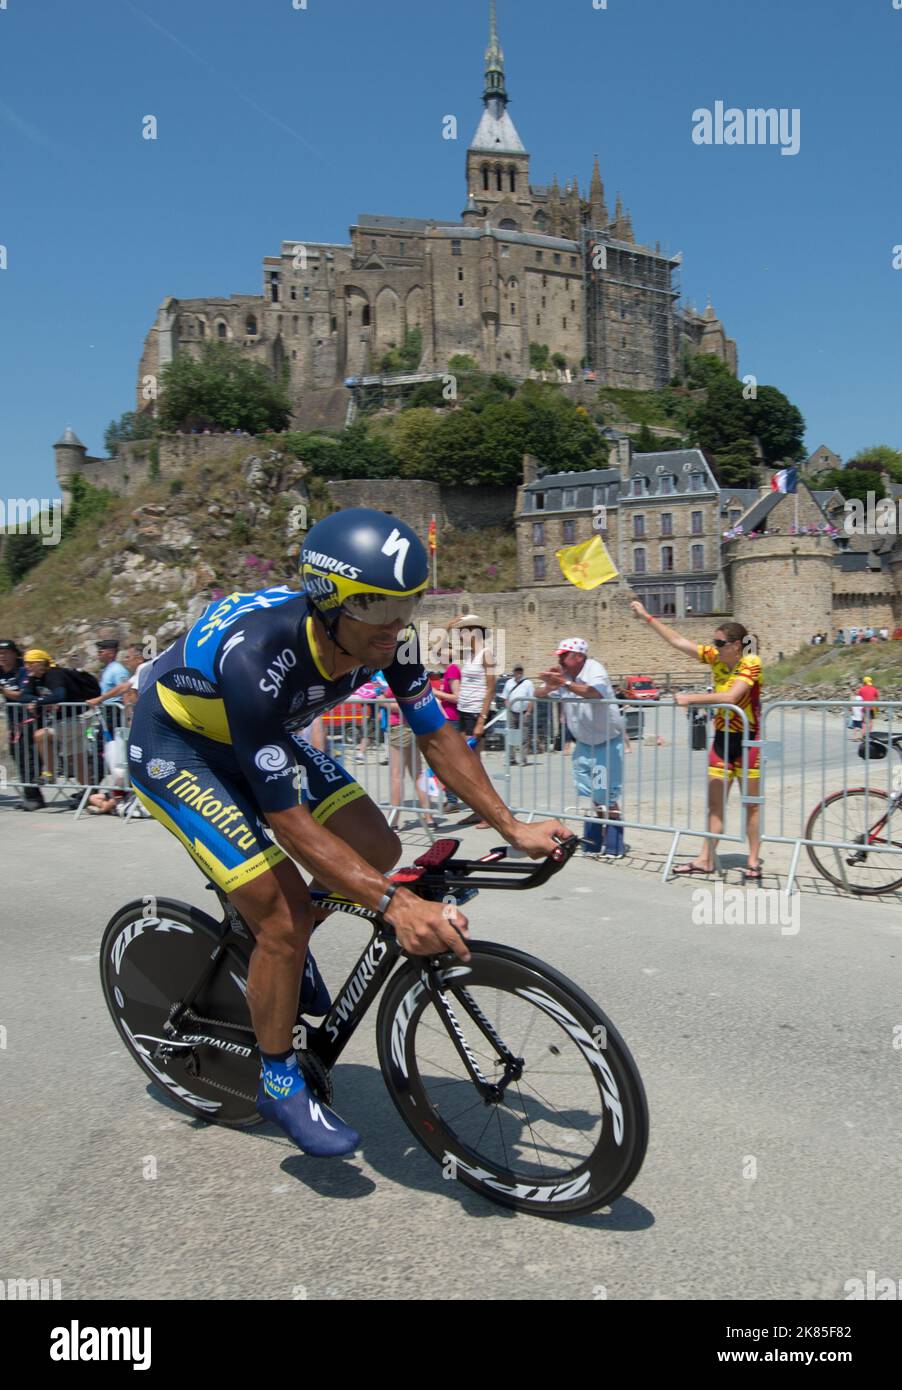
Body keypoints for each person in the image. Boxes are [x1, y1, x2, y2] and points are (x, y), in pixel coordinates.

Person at [128, 507, 568, 1158]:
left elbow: (437, 736)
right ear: (330, 602)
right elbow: (289, 822)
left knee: (379, 846)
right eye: (379, 608)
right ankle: (279, 1080)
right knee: (283, 915)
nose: (396, 626)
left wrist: (512, 826)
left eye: (407, 605)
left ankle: (276, 942)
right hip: (179, 747)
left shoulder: (390, 639)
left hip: (257, 736)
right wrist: (394, 904)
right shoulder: (259, 655)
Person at [632, 601, 764, 879]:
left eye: (720, 643)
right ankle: (705, 859)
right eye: (714, 642)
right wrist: (647, 617)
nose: (715, 647)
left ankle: (753, 860)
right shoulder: (716, 658)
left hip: (748, 740)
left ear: (736, 645)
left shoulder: (751, 662)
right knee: (714, 806)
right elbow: (679, 642)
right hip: (722, 740)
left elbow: (732, 697)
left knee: (751, 804)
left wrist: (691, 699)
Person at [536, 638, 626, 856]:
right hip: (585, 743)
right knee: (594, 792)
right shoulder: (565, 675)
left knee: (606, 794)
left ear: (578, 657)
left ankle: (614, 844)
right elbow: (537, 695)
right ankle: (595, 840)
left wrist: (564, 683)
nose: (560, 660)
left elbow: (594, 692)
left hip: (605, 742)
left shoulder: (594, 669)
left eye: (563, 656)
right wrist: (549, 685)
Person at [451, 614, 496, 829]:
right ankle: (477, 811)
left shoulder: (486, 654)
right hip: (464, 711)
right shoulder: (468, 654)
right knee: (468, 766)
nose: (460, 635)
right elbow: (437, 650)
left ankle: (490, 814)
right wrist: (449, 625)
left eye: (463, 631)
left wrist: (481, 720)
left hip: (476, 713)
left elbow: (491, 687)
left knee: (476, 767)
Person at [502, 665, 535, 766]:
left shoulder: (528, 683)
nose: (519, 672)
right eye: (517, 670)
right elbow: (505, 698)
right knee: (510, 735)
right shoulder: (509, 683)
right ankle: (511, 758)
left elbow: (531, 699)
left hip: (524, 712)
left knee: (524, 736)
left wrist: (528, 712)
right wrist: (508, 708)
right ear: (514, 672)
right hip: (512, 712)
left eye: (520, 670)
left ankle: (523, 759)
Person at [857, 675, 880, 739]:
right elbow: (877, 698)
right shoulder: (874, 689)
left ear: (864, 682)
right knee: (870, 721)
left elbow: (858, 699)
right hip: (871, 708)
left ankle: (863, 735)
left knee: (863, 722)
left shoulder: (861, 689)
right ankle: (869, 735)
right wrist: (877, 707)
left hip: (864, 708)